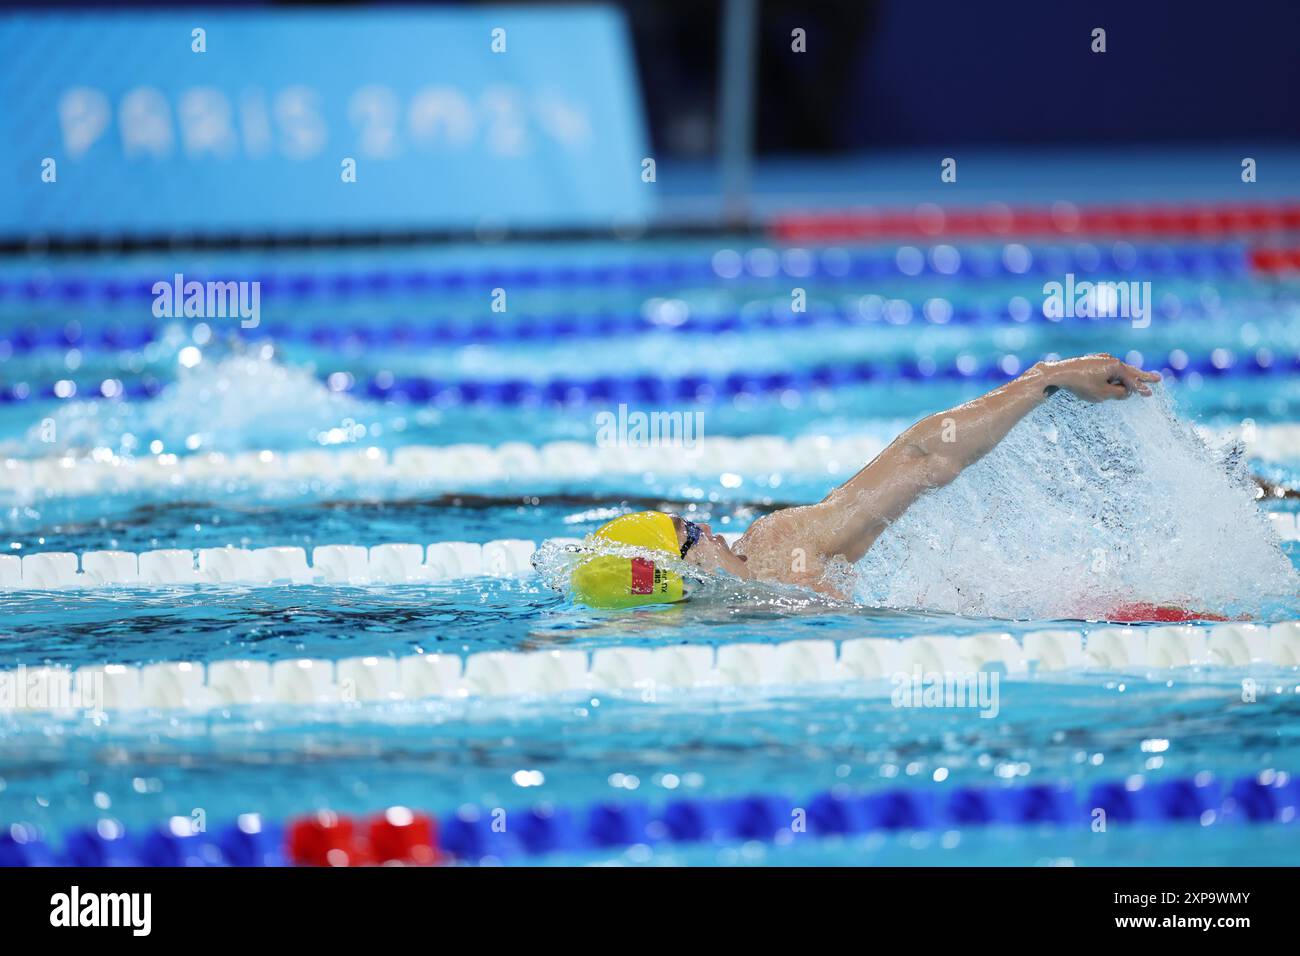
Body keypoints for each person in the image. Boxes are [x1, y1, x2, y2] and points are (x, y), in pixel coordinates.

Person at [569, 354, 1164, 608]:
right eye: (688, 534)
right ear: (676, 580)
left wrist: (1046, 379)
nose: (710, 529)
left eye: (690, 519)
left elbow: (921, 457)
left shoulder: (782, 551)